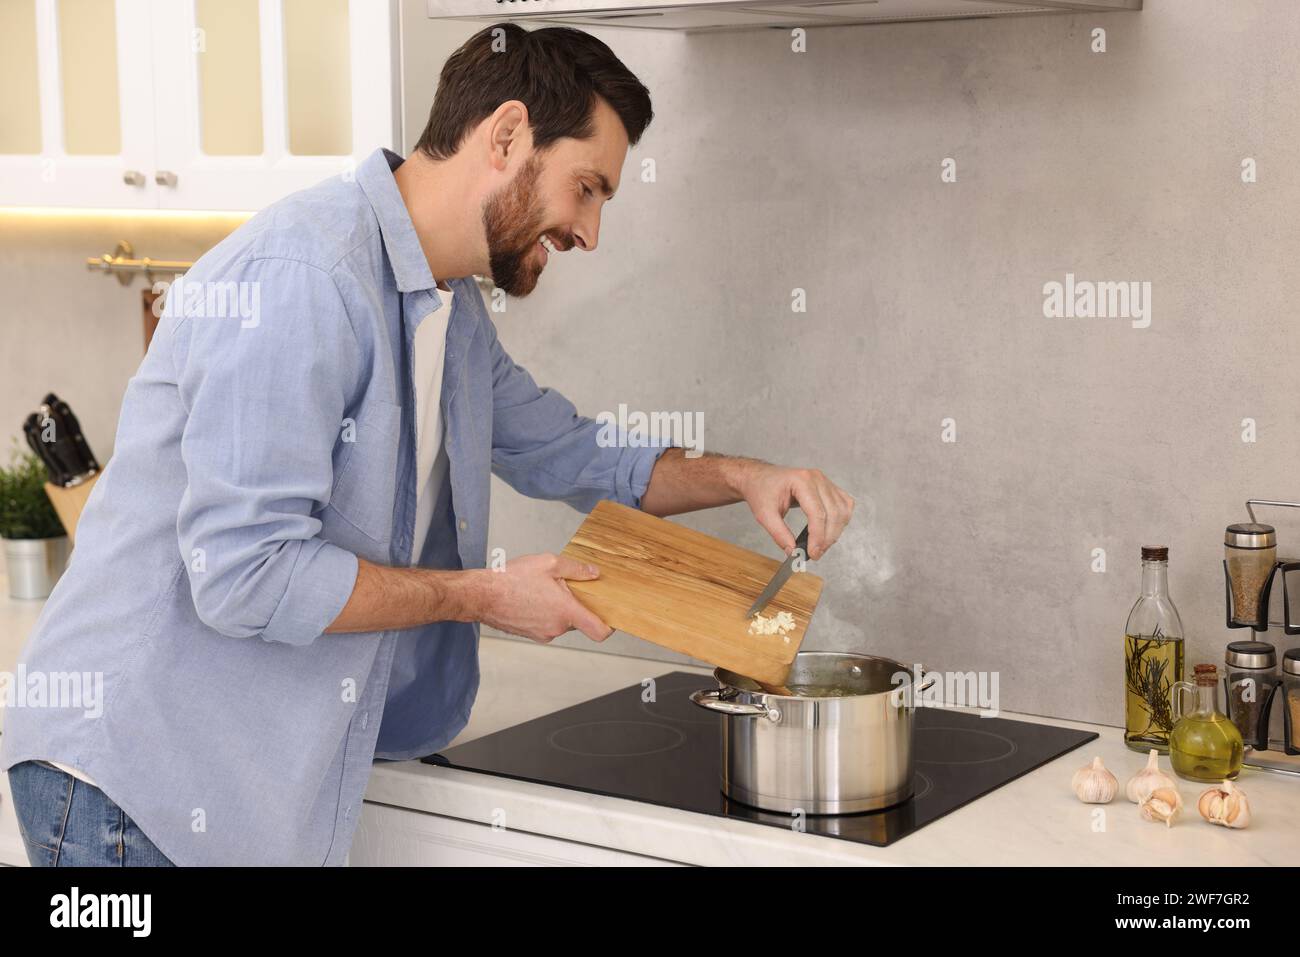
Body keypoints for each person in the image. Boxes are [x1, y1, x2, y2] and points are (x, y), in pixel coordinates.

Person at [2, 23, 854, 866]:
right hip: (126, 784)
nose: (590, 233)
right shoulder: (306, 277)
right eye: (587, 188)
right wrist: (484, 595)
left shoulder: (450, 310)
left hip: (228, 784)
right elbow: (245, 572)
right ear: (508, 135)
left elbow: (574, 451)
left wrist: (746, 476)